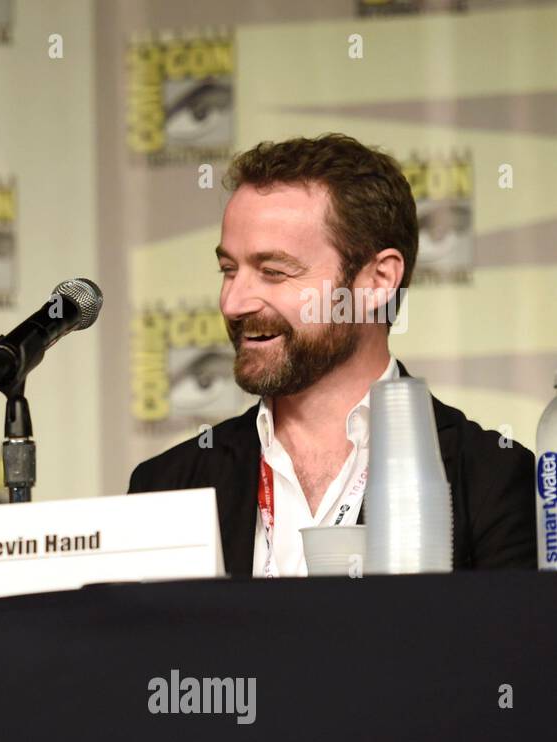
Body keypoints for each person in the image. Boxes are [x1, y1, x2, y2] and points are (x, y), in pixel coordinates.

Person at [128, 133, 536, 576]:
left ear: (379, 280)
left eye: (274, 272)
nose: (233, 303)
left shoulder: (492, 477)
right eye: (229, 270)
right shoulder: (168, 486)